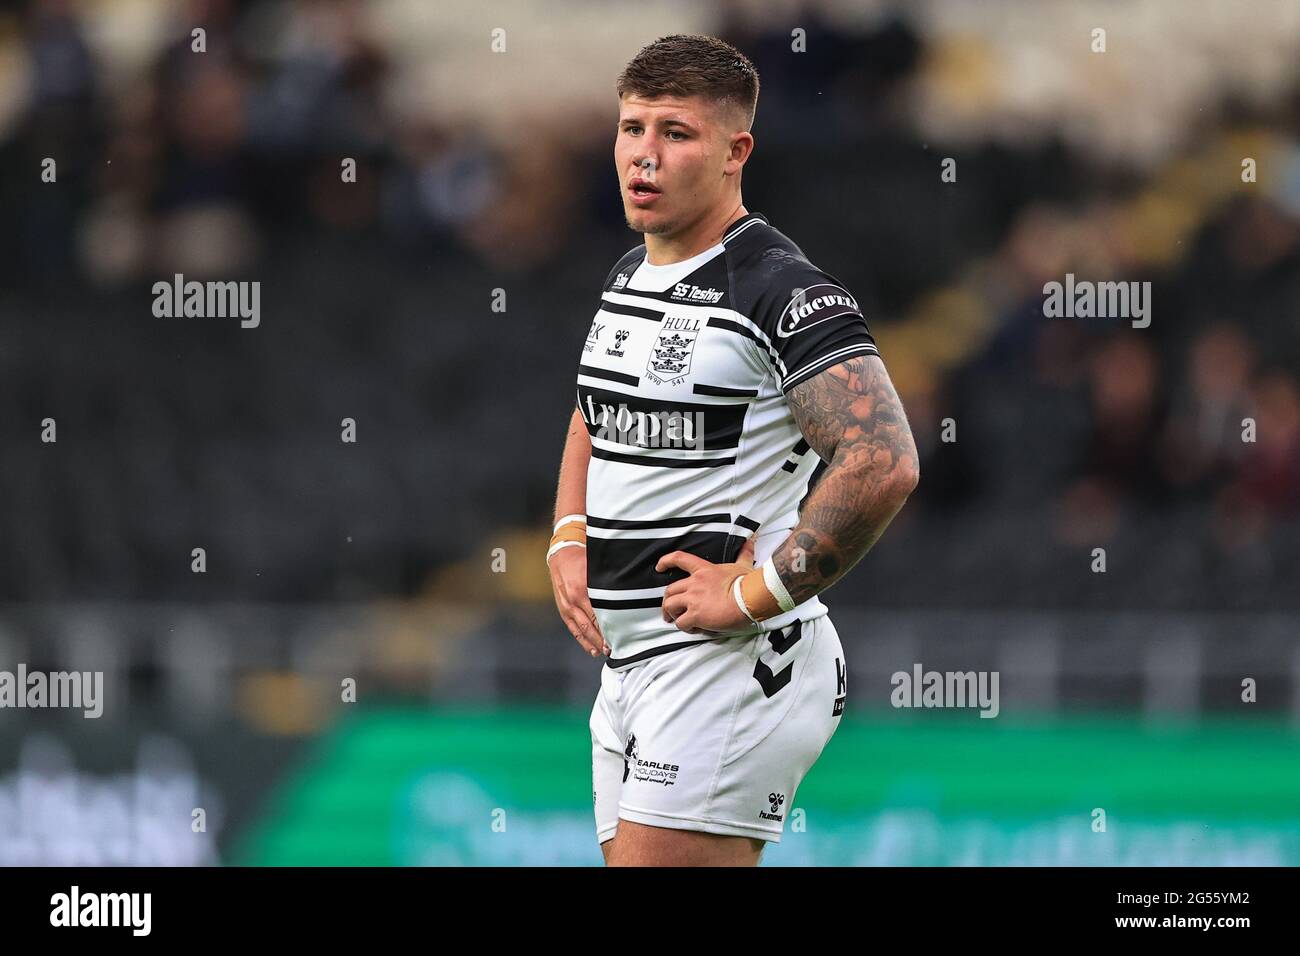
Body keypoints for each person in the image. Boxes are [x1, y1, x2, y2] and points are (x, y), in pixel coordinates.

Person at [547, 34, 919, 866]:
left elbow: (883, 459)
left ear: (733, 151)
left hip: (730, 662)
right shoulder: (628, 276)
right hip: (633, 663)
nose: (644, 155)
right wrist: (569, 531)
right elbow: (593, 409)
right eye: (631, 128)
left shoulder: (782, 291)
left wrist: (755, 593)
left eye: (675, 133)